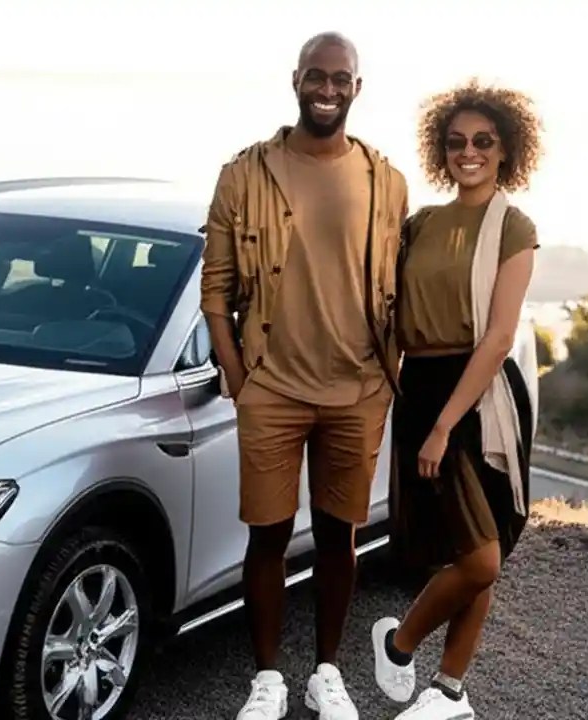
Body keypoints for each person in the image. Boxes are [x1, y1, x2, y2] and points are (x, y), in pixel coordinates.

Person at [200, 31, 409, 720]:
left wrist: (394, 372)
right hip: (273, 387)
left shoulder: (386, 180)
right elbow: (217, 289)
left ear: (356, 87)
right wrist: (238, 377)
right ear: (296, 80)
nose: (327, 89)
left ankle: (325, 672)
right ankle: (267, 679)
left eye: (339, 78)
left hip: (357, 389)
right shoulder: (245, 174)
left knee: (338, 535)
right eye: (315, 77)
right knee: (266, 532)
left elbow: (398, 287)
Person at [370, 79, 543, 719]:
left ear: (505, 151)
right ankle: (449, 691)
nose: (468, 152)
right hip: (423, 385)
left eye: (482, 142)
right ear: (442, 150)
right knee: (475, 556)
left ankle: (403, 648)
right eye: (455, 142)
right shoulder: (421, 224)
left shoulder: (513, 225)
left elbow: (498, 337)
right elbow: (376, 295)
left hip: (481, 394)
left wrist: (445, 425)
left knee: (483, 556)